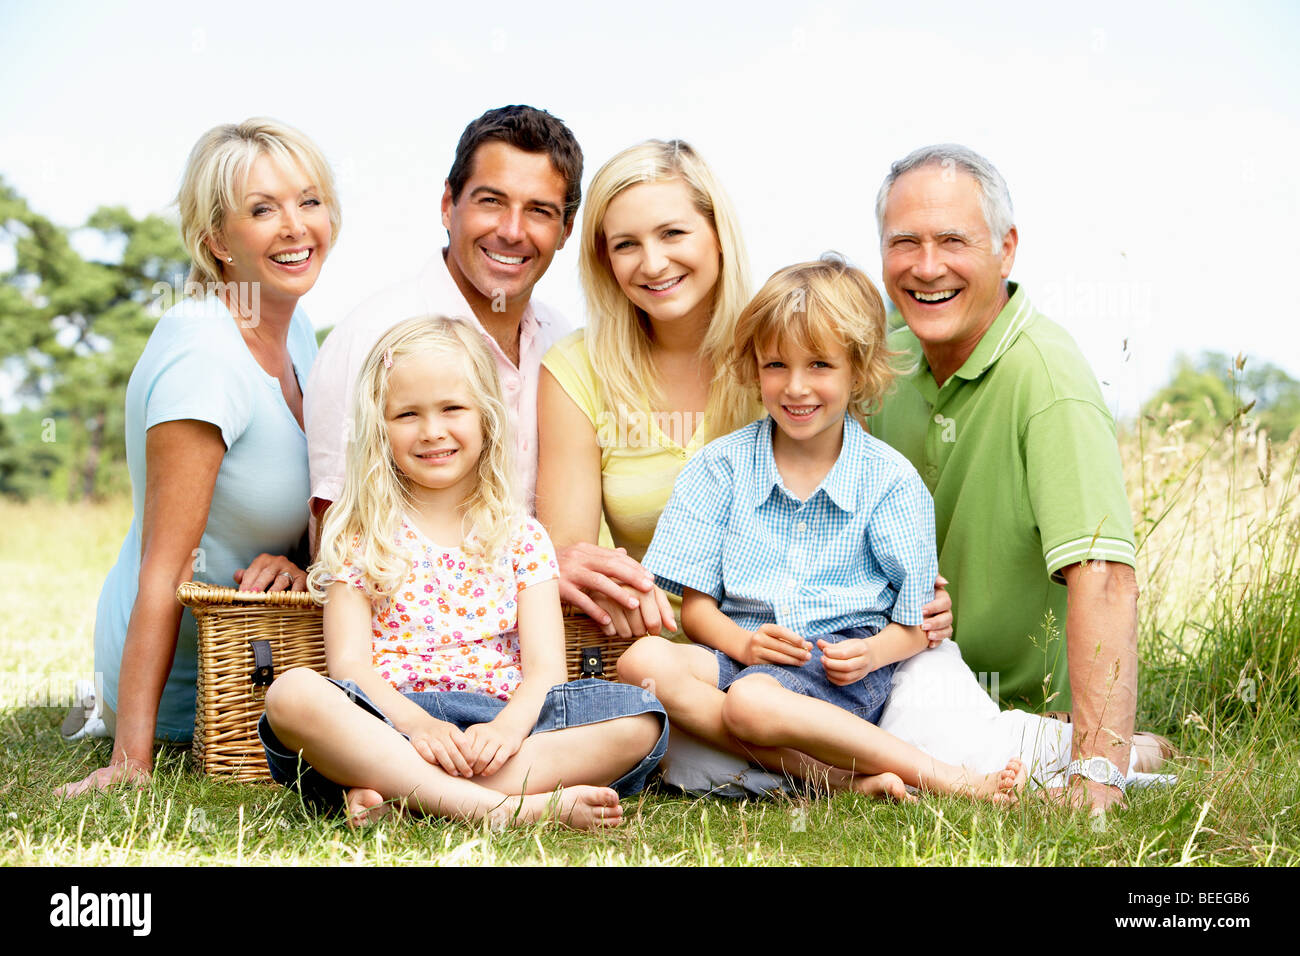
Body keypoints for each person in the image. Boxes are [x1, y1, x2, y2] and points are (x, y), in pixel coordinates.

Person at [619, 256, 1027, 802]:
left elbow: (916, 625)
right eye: (775, 366)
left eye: (819, 366)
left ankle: (940, 776)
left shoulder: (888, 481)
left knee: (750, 702)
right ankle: (841, 783)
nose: (795, 388)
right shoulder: (719, 469)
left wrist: (874, 654)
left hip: (843, 669)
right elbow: (696, 611)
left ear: (857, 371)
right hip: (747, 655)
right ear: (754, 367)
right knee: (638, 662)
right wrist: (744, 641)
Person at [538, 140, 954, 645]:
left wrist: (914, 606)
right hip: (652, 657)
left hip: (805, 651)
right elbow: (571, 559)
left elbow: (859, 495)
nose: (652, 263)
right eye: (625, 244)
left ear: (717, 235)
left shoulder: (790, 345)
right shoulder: (575, 369)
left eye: (673, 233)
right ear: (604, 259)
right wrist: (618, 588)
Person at [259, 316, 667, 828]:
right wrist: (416, 724)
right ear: (378, 428)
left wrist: (508, 731)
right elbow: (349, 667)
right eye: (406, 414)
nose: (432, 431)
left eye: (452, 408)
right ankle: (497, 810)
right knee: (291, 694)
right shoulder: (360, 534)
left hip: (500, 727)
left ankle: (410, 797)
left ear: (487, 418)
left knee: (641, 720)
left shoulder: (521, 535)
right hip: (387, 724)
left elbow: (546, 671)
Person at [56, 118, 339, 796]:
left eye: (309, 200)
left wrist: (299, 561)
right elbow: (167, 564)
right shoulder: (203, 359)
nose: (296, 226)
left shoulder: (294, 324)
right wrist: (132, 757)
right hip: (198, 687)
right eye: (262, 210)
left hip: (262, 647)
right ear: (215, 238)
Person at [867, 144, 1141, 812]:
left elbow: (1104, 574)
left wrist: (1097, 777)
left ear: (1006, 249)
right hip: (892, 686)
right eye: (905, 242)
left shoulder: (1046, 377)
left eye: (953, 240)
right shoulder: (878, 366)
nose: (927, 267)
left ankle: (1105, 752)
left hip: (1012, 712)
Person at [305, 105, 581, 521]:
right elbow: (340, 535)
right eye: (492, 201)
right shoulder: (373, 337)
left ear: (566, 229)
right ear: (448, 204)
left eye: (539, 211)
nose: (511, 231)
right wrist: (537, 566)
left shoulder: (563, 344)